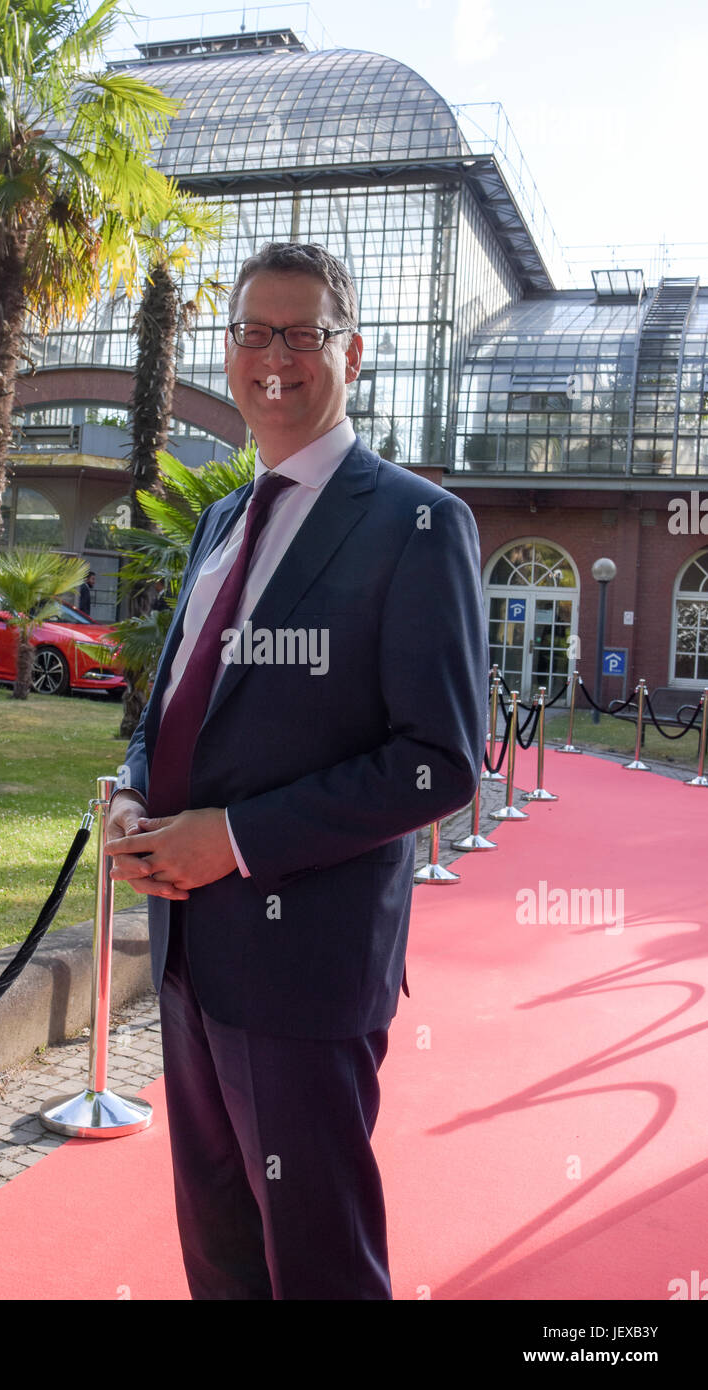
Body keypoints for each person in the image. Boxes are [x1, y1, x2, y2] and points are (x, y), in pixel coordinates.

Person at [105, 242, 488, 1300]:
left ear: (350, 353)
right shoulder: (225, 519)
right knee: (220, 1253)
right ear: (226, 350)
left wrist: (226, 839)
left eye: (300, 333)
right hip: (187, 951)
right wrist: (140, 790)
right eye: (251, 332)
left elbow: (439, 762)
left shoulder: (416, 523)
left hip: (302, 975)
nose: (273, 356)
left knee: (317, 1266)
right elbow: (170, 700)